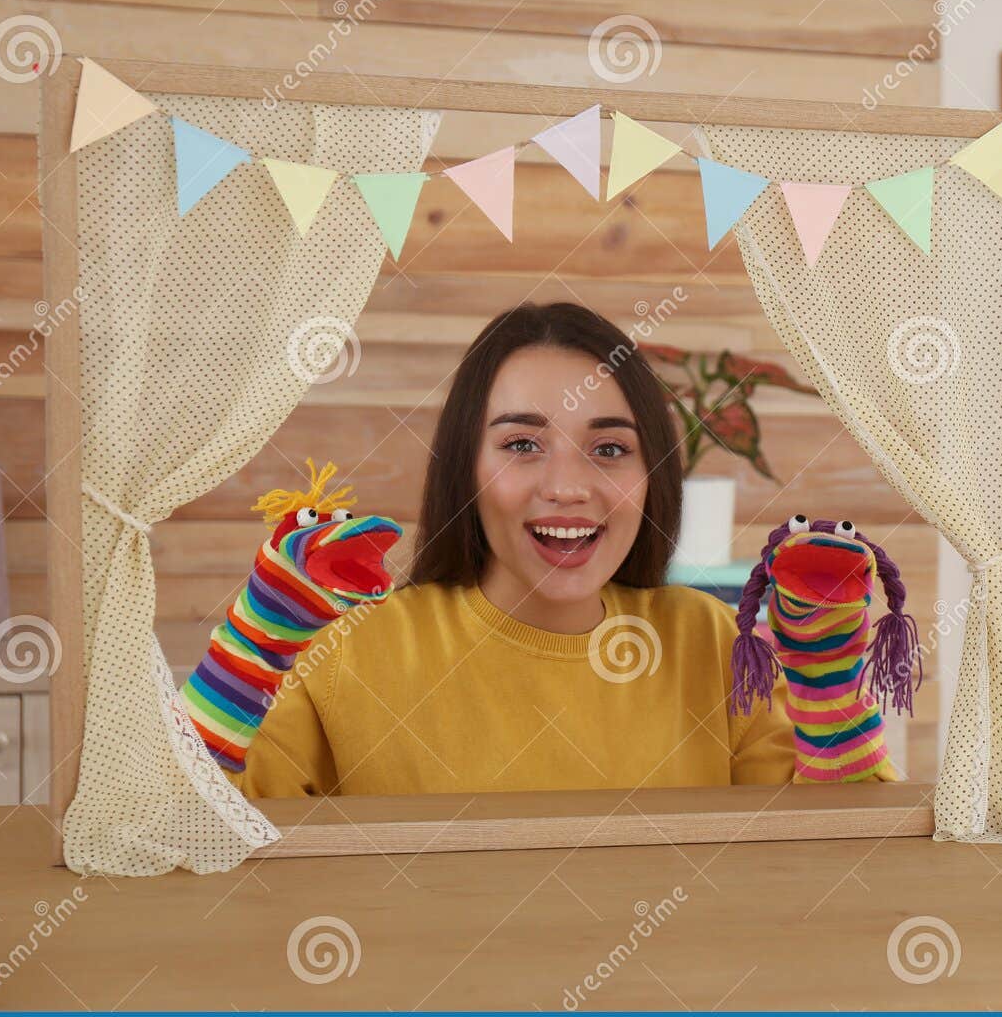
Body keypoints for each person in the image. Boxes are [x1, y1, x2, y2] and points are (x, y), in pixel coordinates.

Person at [225, 302, 796, 798]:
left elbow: (830, 852)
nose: (568, 487)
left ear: (653, 475)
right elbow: (196, 840)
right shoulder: (345, 654)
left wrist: (832, 672)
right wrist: (247, 643)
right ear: (465, 469)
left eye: (609, 447)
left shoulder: (720, 647)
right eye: (522, 444)